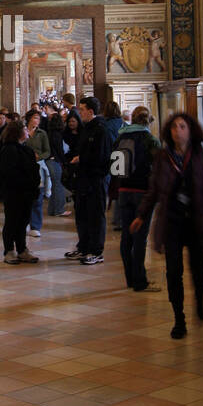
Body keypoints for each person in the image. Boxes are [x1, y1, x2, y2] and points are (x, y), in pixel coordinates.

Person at [132, 112, 203, 338]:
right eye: (173, 127)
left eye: (182, 127)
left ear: (191, 130)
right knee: (173, 272)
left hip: (196, 221)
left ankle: (200, 298)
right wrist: (141, 215)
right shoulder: (163, 157)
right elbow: (154, 189)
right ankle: (178, 318)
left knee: (198, 270)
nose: (177, 131)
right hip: (171, 221)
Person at [114, 106, 161, 293]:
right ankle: (140, 281)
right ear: (148, 121)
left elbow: (115, 166)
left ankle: (130, 279)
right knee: (140, 238)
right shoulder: (150, 139)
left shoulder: (121, 136)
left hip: (124, 190)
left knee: (126, 236)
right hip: (142, 192)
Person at [64, 96, 113, 265]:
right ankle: (83, 247)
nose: (79, 112)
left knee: (95, 216)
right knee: (82, 215)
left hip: (96, 180)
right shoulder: (87, 128)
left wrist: (81, 159)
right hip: (83, 179)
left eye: (82, 109)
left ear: (90, 112)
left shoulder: (101, 130)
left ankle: (96, 251)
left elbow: (102, 157)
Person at [0, 121, 41, 264]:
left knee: (23, 222)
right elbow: (9, 174)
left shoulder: (25, 148)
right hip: (14, 193)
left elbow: (33, 169)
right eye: (24, 129)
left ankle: (22, 249)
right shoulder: (9, 150)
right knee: (12, 221)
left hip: (26, 193)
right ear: (17, 132)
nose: (27, 130)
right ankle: (9, 251)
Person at [25, 109, 51, 238]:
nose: (37, 120)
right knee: (24, 196)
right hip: (24, 167)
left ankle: (35, 225)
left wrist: (39, 157)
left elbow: (47, 151)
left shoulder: (42, 134)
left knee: (37, 197)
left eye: (39, 118)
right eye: (35, 117)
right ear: (29, 119)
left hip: (38, 167)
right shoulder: (22, 132)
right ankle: (24, 222)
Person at [46, 112, 68, 217]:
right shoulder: (57, 134)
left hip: (50, 160)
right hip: (55, 160)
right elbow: (59, 150)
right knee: (58, 185)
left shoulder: (49, 133)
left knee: (55, 186)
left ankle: (52, 210)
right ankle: (59, 209)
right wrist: (64, 161)